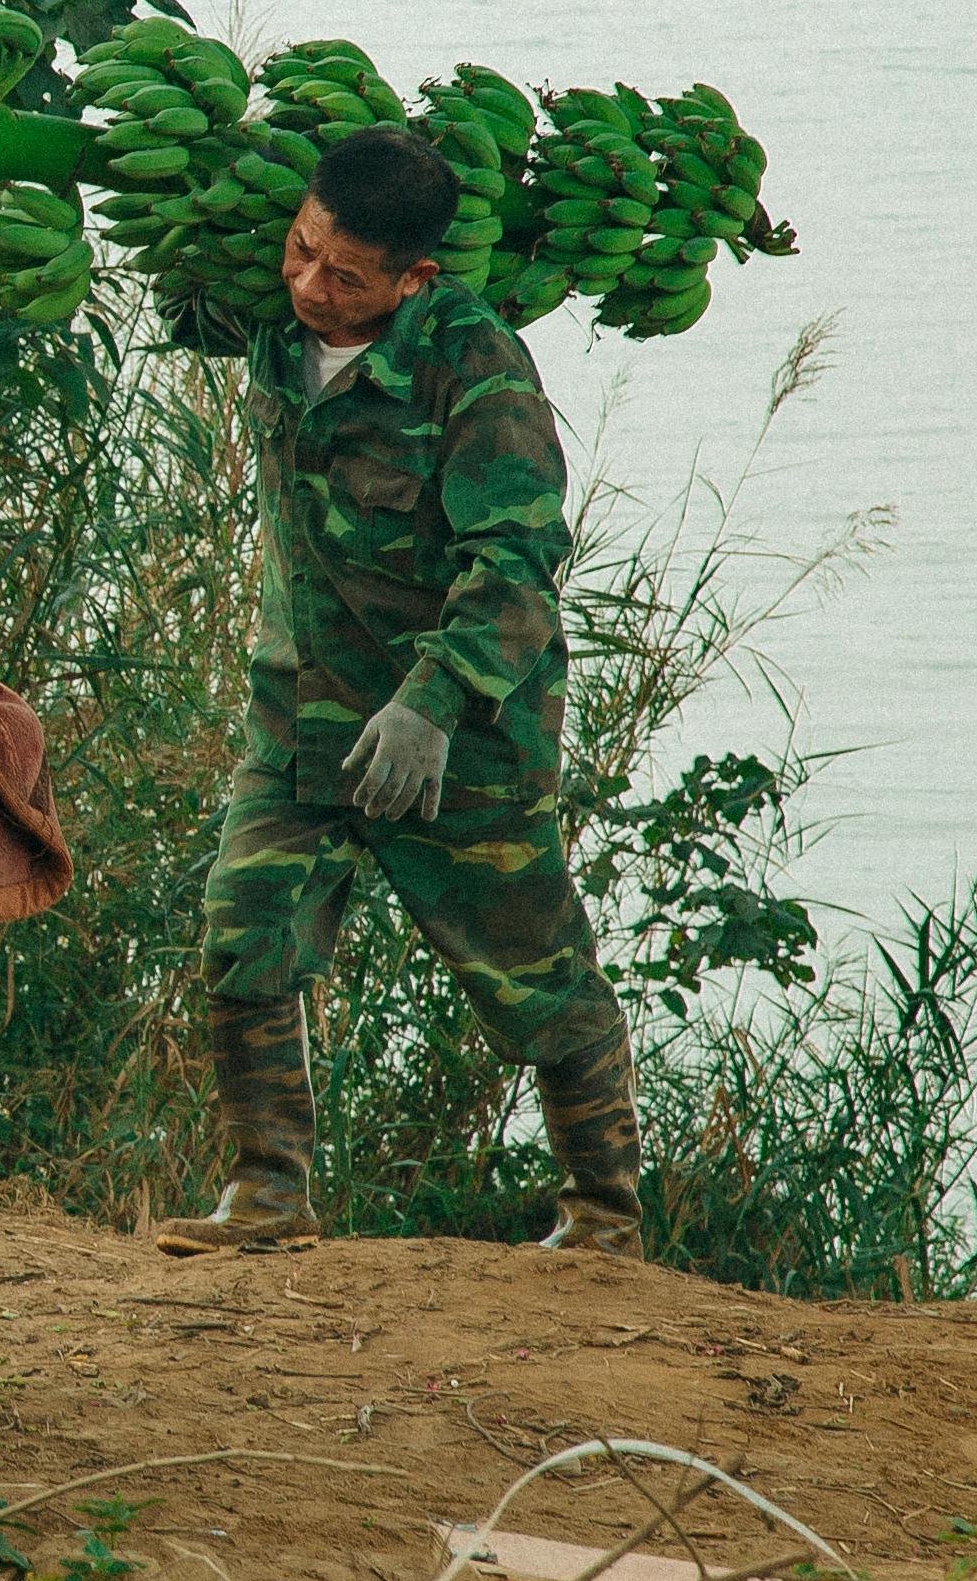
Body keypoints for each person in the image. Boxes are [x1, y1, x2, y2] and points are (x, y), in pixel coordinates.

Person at [155, 125, 644, 1259]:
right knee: (246, 932)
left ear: (417, 278)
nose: (313, 287)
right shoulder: (273, 319)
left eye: (348, 277)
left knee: (534, 976)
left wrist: (435, 703)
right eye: (302, 251)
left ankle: (605, 1219)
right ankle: (267, 1193)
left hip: (457, 739)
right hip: (305, 719)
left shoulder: (471, 363)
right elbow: (186, 292)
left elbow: (516, 561)